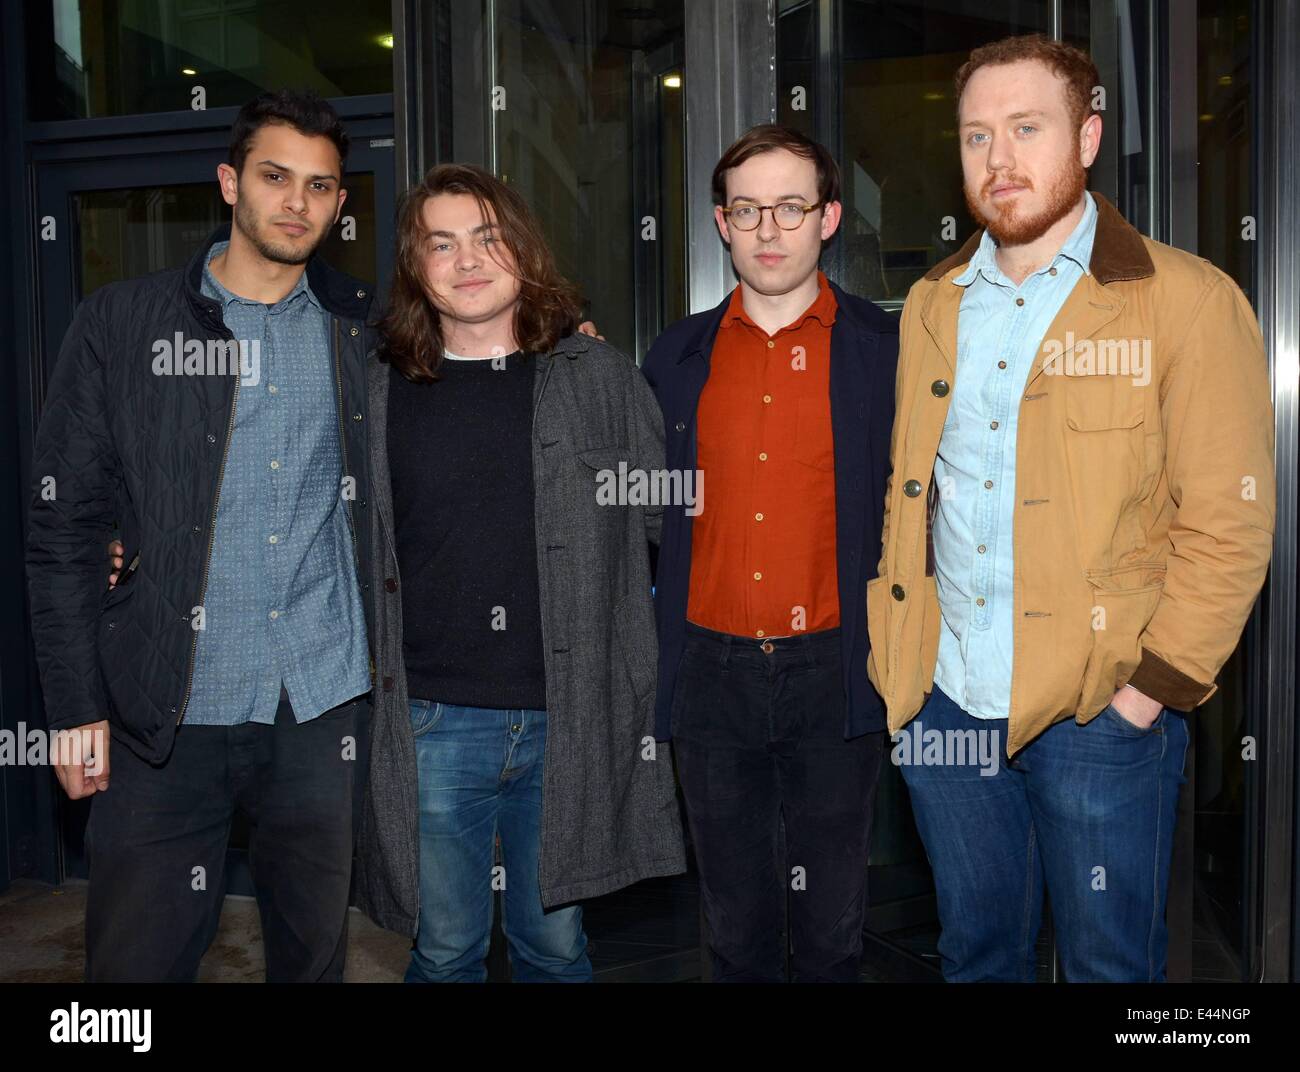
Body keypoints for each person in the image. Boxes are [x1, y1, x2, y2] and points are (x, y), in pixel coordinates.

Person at [867, 33, 1275, 982]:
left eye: (1026, 129)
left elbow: (1229, 522)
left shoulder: (1187, 301)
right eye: (975, 137)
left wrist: (1150, 694)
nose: (998, 161)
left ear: (1087, 139)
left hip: (1101, 713)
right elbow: (912, 495)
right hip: (947, 705)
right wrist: (906, 687)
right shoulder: (931, 303)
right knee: (976, 957)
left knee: (1108, 971)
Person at [29, 89, 377, 982]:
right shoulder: (122, 323)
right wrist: (73, 712)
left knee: (314, 962)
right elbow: (63, 525)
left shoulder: (367, 331)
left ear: (340, 205)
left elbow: (477, 365)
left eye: (320, 185)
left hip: (317, 704)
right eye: (274, 177)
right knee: (130, 976)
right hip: (161, 710)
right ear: (230, 183)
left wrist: (560, 337)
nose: (296, 201)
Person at [353, 163, 686, 982]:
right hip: (431, 723)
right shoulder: (377, 389)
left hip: (568, 722)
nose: (467, 260)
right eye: (442, 243)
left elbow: (668, 527)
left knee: (556, 948)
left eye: (487, 238)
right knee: (443, 951)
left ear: (522, 253)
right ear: (415, 266)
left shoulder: (597, 377)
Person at [641, 125, 899, 982]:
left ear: (828, 217)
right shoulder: (675, 358)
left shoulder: (884, 351)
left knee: (832, 932)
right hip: (710, 674)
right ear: (721, 223)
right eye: (747, 209)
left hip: (838, 670)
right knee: (734, 928)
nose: (768, 229)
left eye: (790, 207)